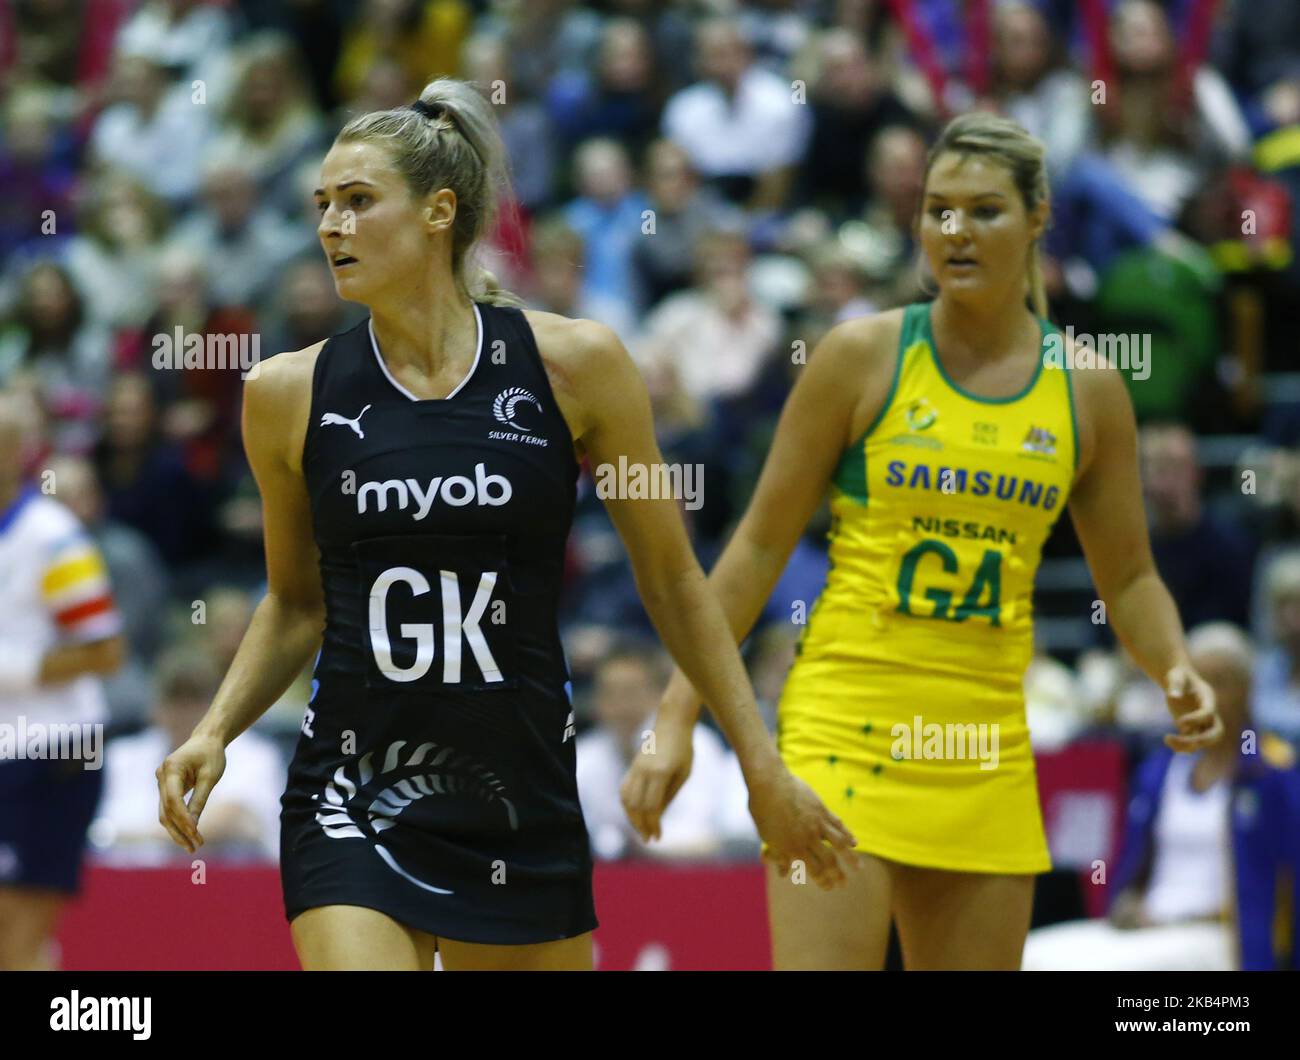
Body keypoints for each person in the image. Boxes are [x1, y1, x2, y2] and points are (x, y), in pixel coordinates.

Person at [155, 77, 852, 972]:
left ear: (440, 211)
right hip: (353, 790)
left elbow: (674, 579)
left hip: (520, 793)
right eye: (323, 204)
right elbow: (295, 604)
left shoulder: (578, 366)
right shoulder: (287, 393)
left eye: (360, 202)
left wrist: (758, 763)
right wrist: (216, 727)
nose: (331, 225)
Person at [621, 112, 1224, 970]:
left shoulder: (1087, 389)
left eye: (984, 210)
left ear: (1038, 217)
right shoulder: (860, 357)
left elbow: (1128, 579)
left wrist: (1175, 667)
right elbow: (753, 549)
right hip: (841, 733)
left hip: (985, 747)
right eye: (938, 210)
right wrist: (673, 720)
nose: (955, 231)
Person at [0, 390, 125, 970]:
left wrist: (13, 668)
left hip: (52, 751)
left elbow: (106, 650)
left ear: (19, 452)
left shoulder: (54, 539)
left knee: (18, 928)